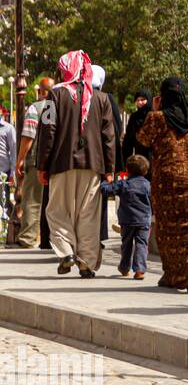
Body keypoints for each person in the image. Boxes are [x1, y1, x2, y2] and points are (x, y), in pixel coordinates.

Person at [36, 50, 116, 276]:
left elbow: (47, 132)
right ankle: (87, 263)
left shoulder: (54, 95)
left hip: (61, 164)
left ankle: (66, 252)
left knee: (56, 211)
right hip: (93, 166)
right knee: (88, 213)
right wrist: (109, 169)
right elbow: (108, 138)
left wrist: (42, 165)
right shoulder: (102, 99)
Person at [135, 77, 188, 292]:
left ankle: (172, 274)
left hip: (166, 182)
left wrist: (153, 110)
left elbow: (142, 139)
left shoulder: (157, 119)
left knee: (168, 229)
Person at [13, 77, 53, 249]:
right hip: (56, 163)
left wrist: (20, 159)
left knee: (32, 201)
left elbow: (28, 136)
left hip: (36, 161)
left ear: (40, 92)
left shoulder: (36, 108)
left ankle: (28, 238)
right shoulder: (57, 107)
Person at [102, 154, 152, 280]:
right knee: (142, 244)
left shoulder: (123, 184)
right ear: (146, 171)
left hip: (127, 221)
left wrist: (104, 181)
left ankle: (124, 268)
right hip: (144, 220)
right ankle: (140, 270)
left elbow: (107, 190)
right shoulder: (147, 185)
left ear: (127, 170)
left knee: (126, 245)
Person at [91, 65, 125, 244]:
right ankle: (99, 234)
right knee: (101, 196)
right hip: (103, 157)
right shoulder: (106, 99)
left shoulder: (80, 97)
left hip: (86, 157)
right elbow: (115, 130)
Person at [120, 88, 153, 162]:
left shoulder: (154, 115)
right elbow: (129, 138)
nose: (140, 102)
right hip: (140, 158)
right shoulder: (134, 117)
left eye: (142, 100)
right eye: (137, 100)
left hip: (154, 156)